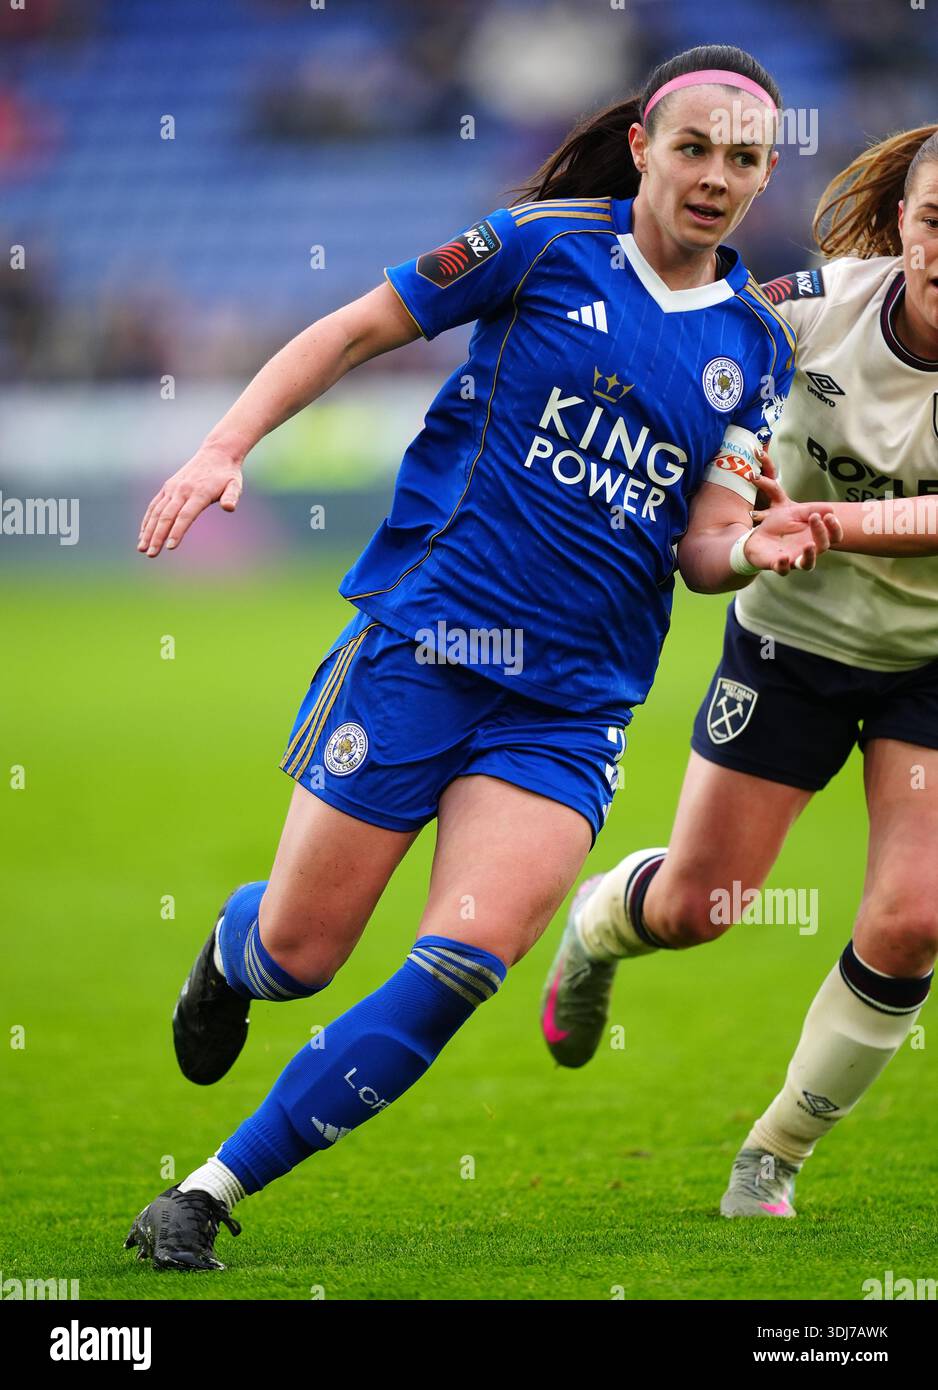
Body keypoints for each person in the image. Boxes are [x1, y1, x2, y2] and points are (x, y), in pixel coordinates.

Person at [126, 44, 837, 1271]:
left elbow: (703, 546)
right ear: (642, 150)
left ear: (762, 176)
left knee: (461, 963)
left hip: (569, 707)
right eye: (694, 149)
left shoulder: (751, 342)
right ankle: (233, 956)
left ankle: (204, 1191)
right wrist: (220, 446)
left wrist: (755, 548)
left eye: (743, 159)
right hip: (428, 643)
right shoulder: (538, 244)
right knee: (300, 953)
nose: (716, 176)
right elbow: (354, 328)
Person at [541, 125, 938, 1220]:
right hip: (791, 643)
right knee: (700, 908)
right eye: (934, 221)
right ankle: (599, 923)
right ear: (900, 225)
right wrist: (721, 500)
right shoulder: (803, 308)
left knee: (913, 917)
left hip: (929, 669)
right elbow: (704, 387)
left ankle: (773, 1153)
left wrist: (834, 519)